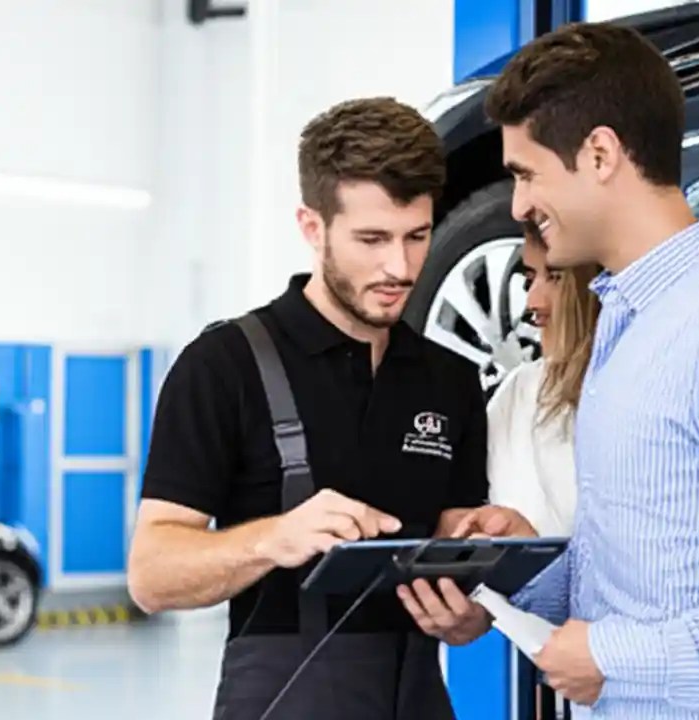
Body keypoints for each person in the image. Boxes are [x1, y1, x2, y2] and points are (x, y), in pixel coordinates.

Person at [400, 22, 699, 719]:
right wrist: (519, 567)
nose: (520, 206)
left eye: (526, 174)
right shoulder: (623, 327)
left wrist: (612, 659)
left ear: (599, 154)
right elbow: (640, 576)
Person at [127, 96, 528, 720]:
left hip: (419, 698)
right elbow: (151, 575)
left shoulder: (449, 380)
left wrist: (467, 612)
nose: (399, 266)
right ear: (313, 228)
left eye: (416, 236)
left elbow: (461, 581)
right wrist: (274, 539)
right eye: (371, 239)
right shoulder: (224, 366)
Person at [485, 220, 601, 537]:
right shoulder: (519, 390)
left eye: (555, 278)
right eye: (530, 279)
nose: (533, 303)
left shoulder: (627, 391)